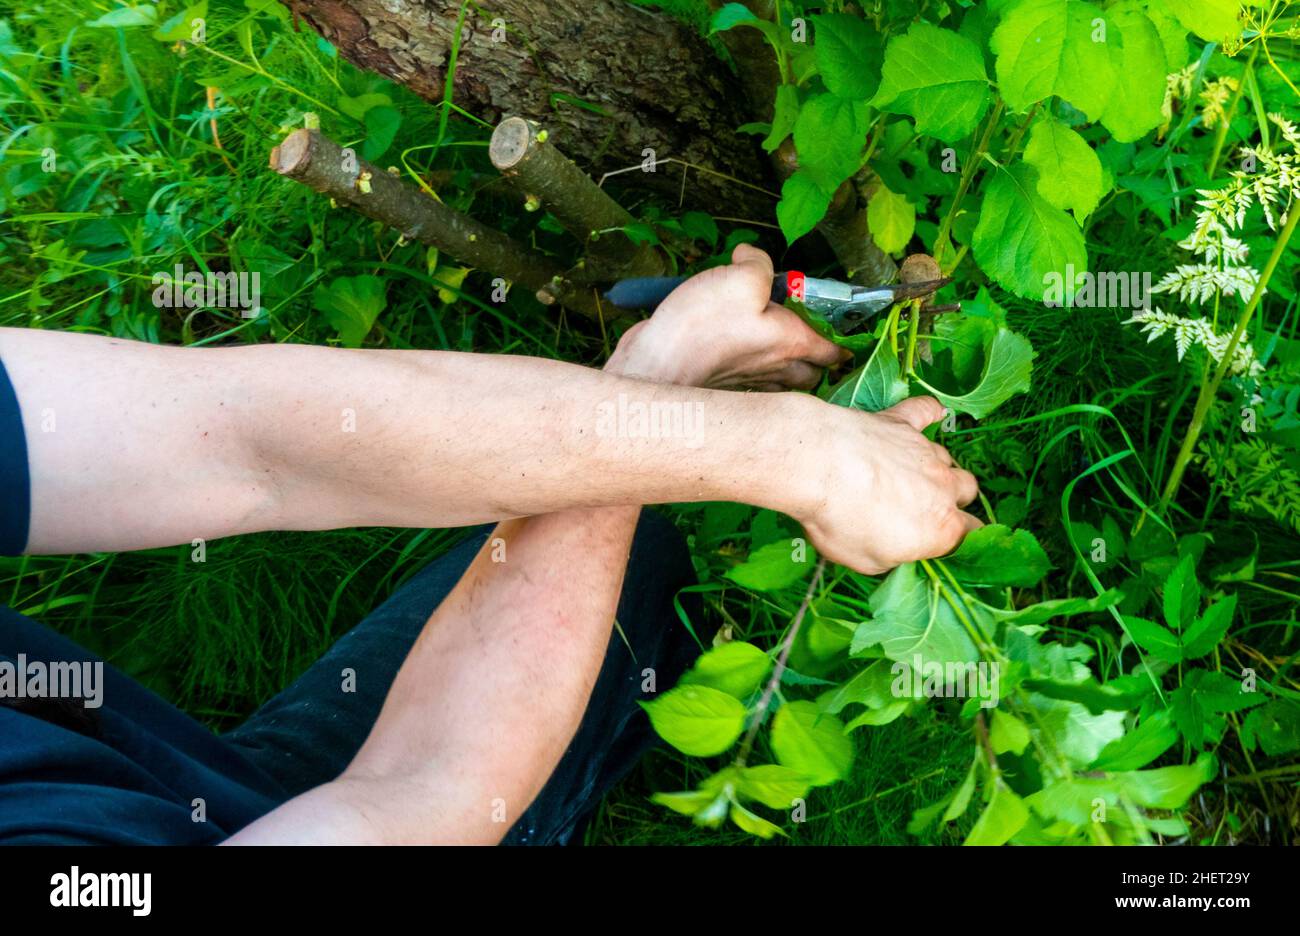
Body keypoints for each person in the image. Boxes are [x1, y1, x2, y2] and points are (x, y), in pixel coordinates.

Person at [0, 245, 980, 844]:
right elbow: (427, 794)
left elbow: (241, 434)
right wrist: (768, 447)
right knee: (606, 582)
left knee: (613, 550)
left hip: (176, 798)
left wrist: (684, 380)